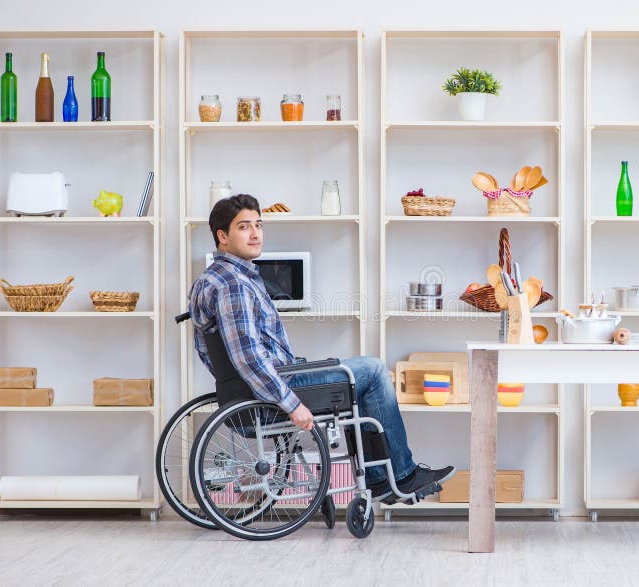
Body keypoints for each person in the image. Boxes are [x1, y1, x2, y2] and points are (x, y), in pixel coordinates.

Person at [188, 194, 454, 503]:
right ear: (222, 236)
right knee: (374, 370)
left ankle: (383, 478)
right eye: (244, 227)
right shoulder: (233, 284)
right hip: (279, 389)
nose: (255, 233)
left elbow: (208, 352)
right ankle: (400, 476)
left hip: (259, 388)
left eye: (258, 225)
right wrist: (290, 403)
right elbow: (248, 359)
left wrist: (235, 386)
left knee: (360, 378)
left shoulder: (213, 279)